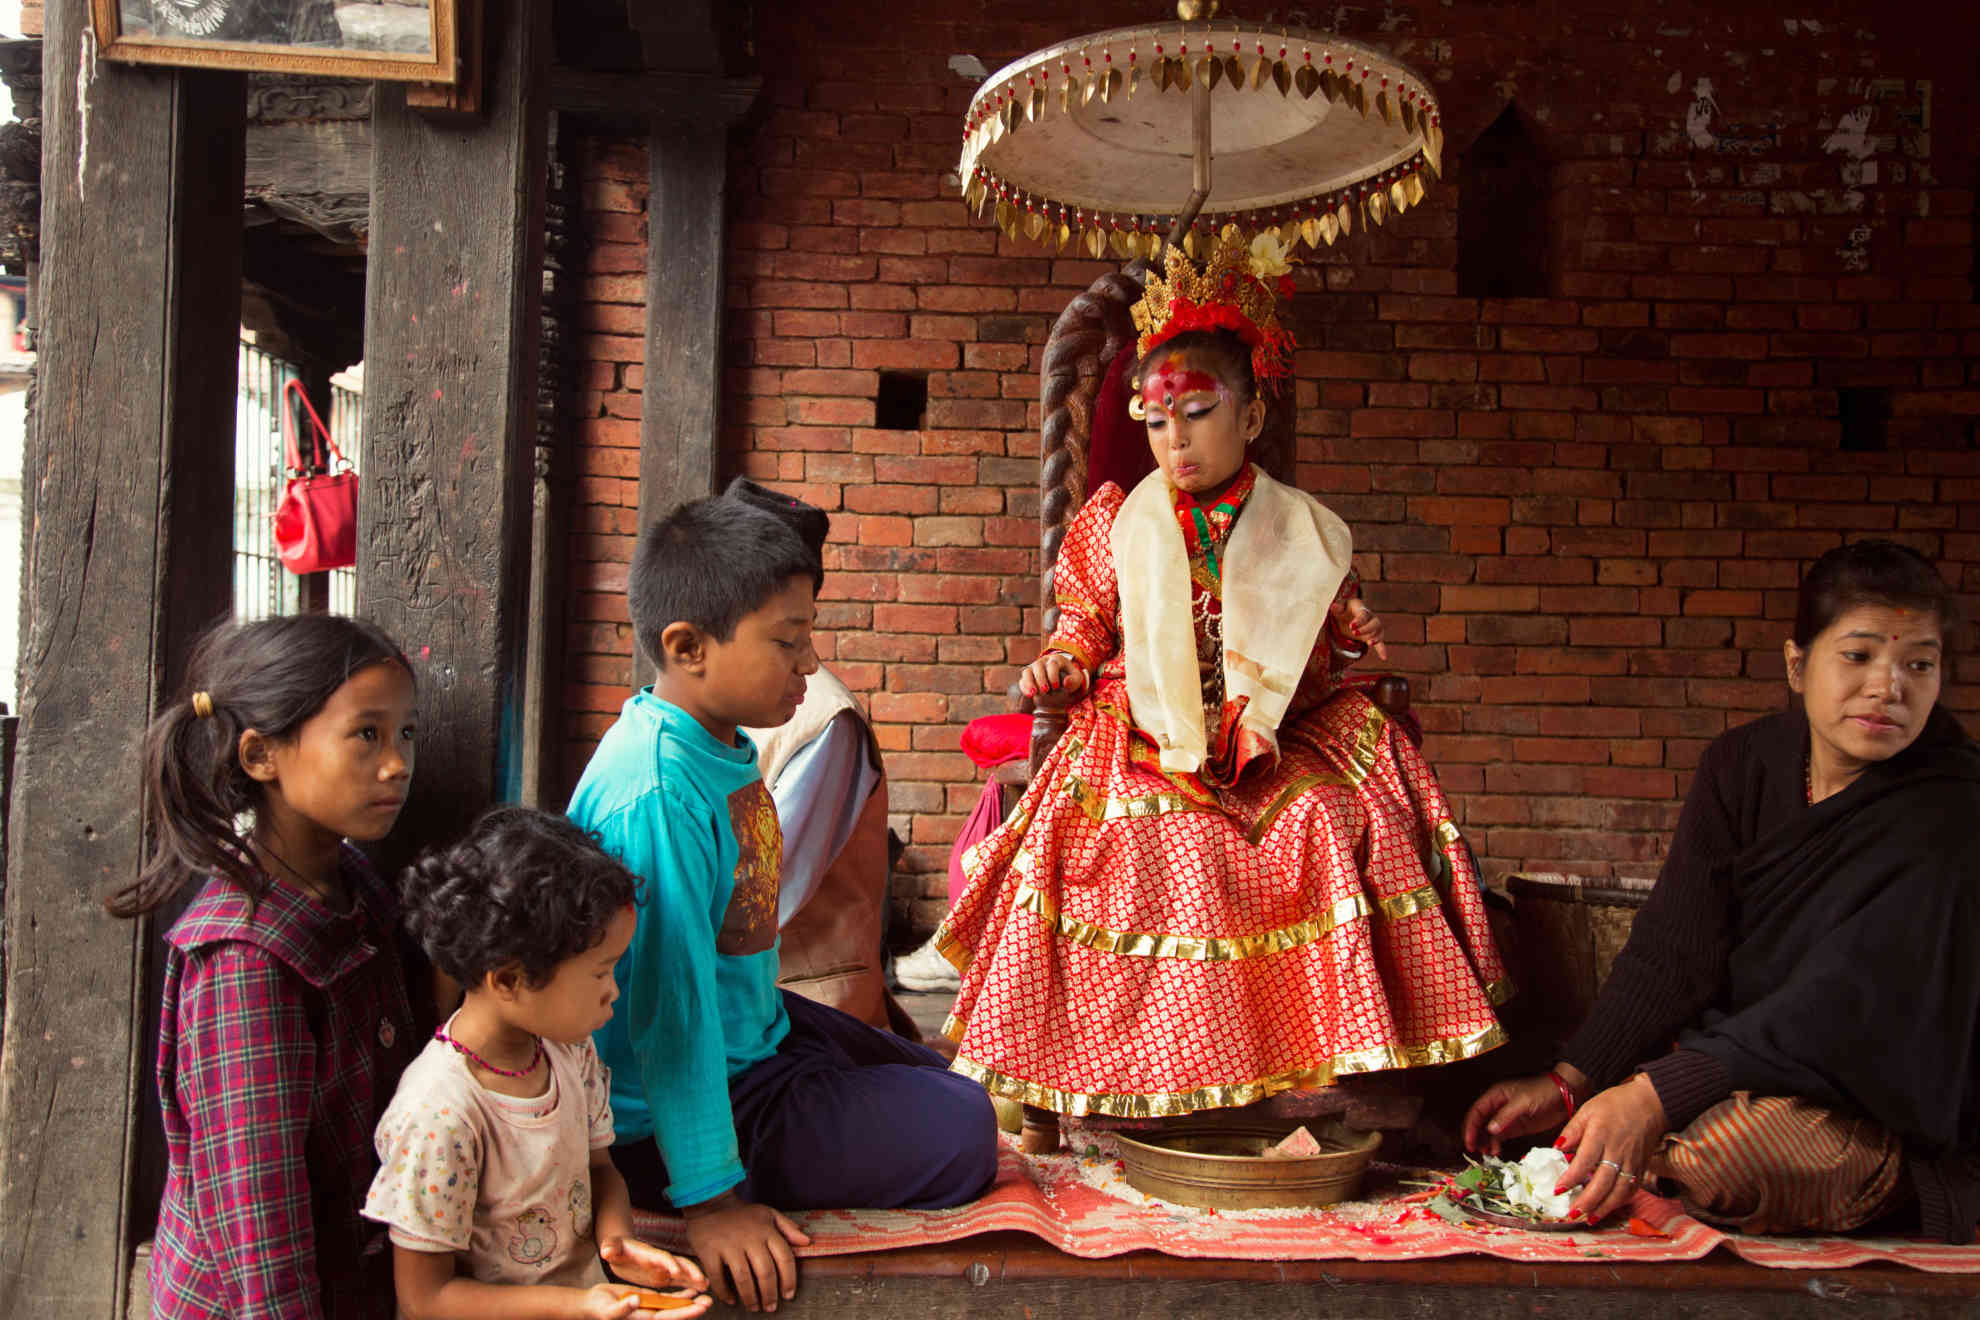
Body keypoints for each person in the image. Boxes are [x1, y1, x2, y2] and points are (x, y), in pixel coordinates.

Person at [936, 231, 1511, 1128]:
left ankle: (1317, 1061)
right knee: (1136, 840)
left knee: (1325, 817)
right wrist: (1066, 659)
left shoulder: (1302, 526)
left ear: (1249, 418)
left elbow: (1321, 636)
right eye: (1156, 422)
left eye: (1197, 415)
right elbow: (1087, 619)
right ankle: (1134, 1068)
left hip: (1272, 726)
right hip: (1145, 723)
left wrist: (1349, 633)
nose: (1175, 440)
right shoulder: (1117, 520)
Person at [1464, 540, 1980, 1241]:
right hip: (1754, 1065)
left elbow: (1841, 1004)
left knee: (1722, 1158)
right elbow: (1675, 947)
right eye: (1858, 657)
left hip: (1885, 1100)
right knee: (1594, 1135)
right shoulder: (1742, 765)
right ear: (1798, 665)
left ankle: (1909, 1193)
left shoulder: (1953, 809)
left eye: (1918, 664)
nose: (1889, 688)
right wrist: (1573, 1080)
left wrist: (1653, 1097)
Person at [568, 493, 998, 1313]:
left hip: (756, 1032)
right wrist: (712, 1204)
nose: (808, 664)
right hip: (666, 1111)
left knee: (954, 1076)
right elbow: (669, 1013)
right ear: (687, 647)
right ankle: (689, 1171)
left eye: (808, 637)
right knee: (965, 1133)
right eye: (786, 641)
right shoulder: (654, 791)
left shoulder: (718, 740)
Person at [109, 615, 421, 1319]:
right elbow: (259, 1223)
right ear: (260, 756)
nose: (397, 761)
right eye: (367, 734)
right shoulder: (245, 963)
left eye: (406, 733)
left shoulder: (355, 886)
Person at [364, 807, 710, 1320]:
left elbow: (600, 1169)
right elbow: (424, 1298)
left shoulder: (567, 1050)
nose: (614, 991)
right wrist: (576, 1306)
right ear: (508, 980)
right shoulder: (439, 1116)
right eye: (600, 973)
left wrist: (618, 1243)